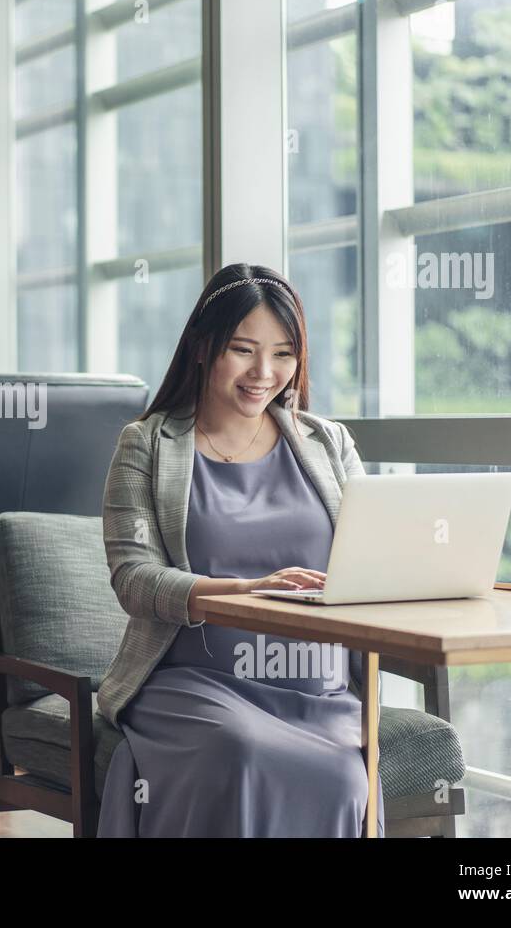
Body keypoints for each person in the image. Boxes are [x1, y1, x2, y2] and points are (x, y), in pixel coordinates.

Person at [96, 263, 384, 837]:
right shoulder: (147, 444)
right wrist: (244, 591)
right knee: (241, 749)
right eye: (243, 350)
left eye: (283, 354)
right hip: (194, 682)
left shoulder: (329, 444)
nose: (264, 373)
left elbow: (372, 558)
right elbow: (134, 579)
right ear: (203, 348)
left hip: (316, 685)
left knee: (346, 780)